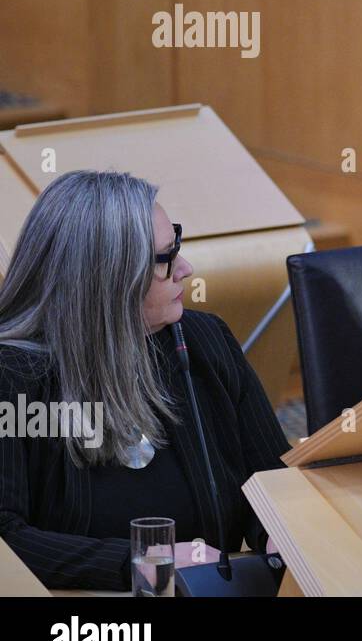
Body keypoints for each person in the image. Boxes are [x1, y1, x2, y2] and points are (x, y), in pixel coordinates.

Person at [0, 170, 290, 591]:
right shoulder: (13, 378)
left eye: (178, 248)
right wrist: (145, 564)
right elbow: (6, 538)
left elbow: (272, 487)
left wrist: (283, 540)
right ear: (107, 277)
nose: (185, 269)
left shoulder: (204, 340)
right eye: (164, 258)